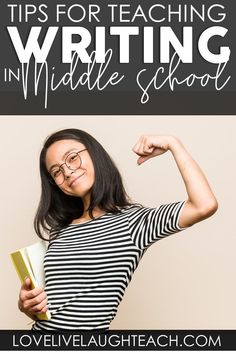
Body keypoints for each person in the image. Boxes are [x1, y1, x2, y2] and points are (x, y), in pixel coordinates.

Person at [18, 129, 218, 331]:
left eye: (72, 158)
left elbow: (203, 205)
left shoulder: (133, 222)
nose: (67, 172)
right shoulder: (60, 230)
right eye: (57, 172)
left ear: (95, 154)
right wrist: (28, 306)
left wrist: (173, 144)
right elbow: (55, 302)